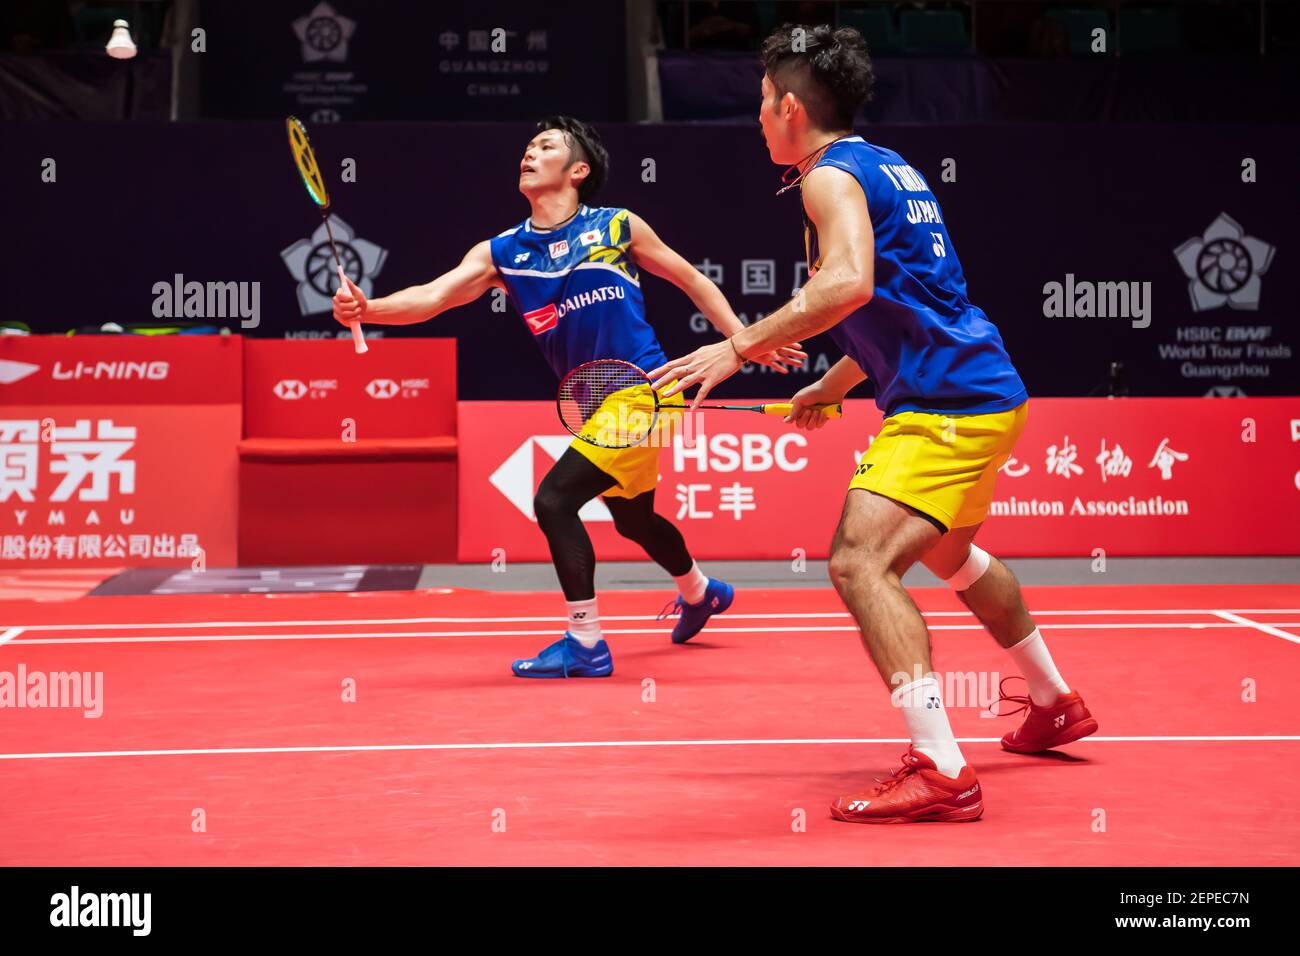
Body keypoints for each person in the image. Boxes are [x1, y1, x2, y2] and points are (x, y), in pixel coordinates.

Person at [650, 25, 1096, 822]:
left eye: (760, 102)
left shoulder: (828, 179)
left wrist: (740, 344)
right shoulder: (889, 166)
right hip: (987, 391)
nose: (756, 117)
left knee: (859, 563)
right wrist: (827, 383)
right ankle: (1054, 699)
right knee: (955, 554)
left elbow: (849, 284)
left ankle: (942, 768)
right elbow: (906, 302)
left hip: (947, 407)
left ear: (791, 106)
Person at [333, 115, 804, 679]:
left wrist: (743, 343)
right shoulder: (502, 251)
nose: (529, 153)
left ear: (578, 170)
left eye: (546, 146)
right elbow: (435, 296)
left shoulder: (616, 226)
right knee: (633, 518)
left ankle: (585, 642)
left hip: (647, 390)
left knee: (554, 500)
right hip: (595, 404)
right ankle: (702, 592)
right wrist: (371, 308)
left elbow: (692, 280)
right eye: (528, 145)